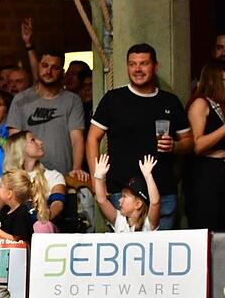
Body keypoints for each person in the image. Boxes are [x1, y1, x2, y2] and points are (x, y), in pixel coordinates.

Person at [87, 43, 193, 229]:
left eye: (143, 63)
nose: (137, 69)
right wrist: (97, 183)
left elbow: (189, 143)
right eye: (132, 64)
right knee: (124, 254)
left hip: (162, 194)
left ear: (155, 66)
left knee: (160, 255)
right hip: (121, 194)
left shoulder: (170, 101)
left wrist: (174, 146)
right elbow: (92, 138)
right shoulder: (113, 99)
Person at [7, 49, 87, 179]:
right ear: (38, 66)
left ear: (62, 71)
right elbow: (15, 141)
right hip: (29, 177)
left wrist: (77, 168)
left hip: (63, 176)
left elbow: (77, 139)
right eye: (45, 66)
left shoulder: (73, 100)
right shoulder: (20, 99)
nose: (48, 71)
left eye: (55, 67)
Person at [185, 59, 225, 230]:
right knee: (209, 225)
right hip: (207, 173)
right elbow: (197, 145)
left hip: (221, 171)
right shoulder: (200, 103)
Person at [3, 131, 64, 229]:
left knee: (42, 226)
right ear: (21, 148)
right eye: (32, 140)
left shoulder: (54, 176)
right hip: (16, 233)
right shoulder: (6, 180)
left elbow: (58, 203)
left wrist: (44, 218)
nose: (40, 142)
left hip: (44, 229)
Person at [93, 154, 160, 232]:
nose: (119, 200)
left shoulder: (148, 224)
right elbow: (101, 201)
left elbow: (155, 203)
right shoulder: (119, 220)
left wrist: (148, 176)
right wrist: (99, 177)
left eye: (124, 196)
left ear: (138, 204)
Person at [0, 169, 35, 243]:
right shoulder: (5, 209)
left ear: (9, 194)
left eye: (1, 186)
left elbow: (17, 240)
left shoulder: (22, 213)